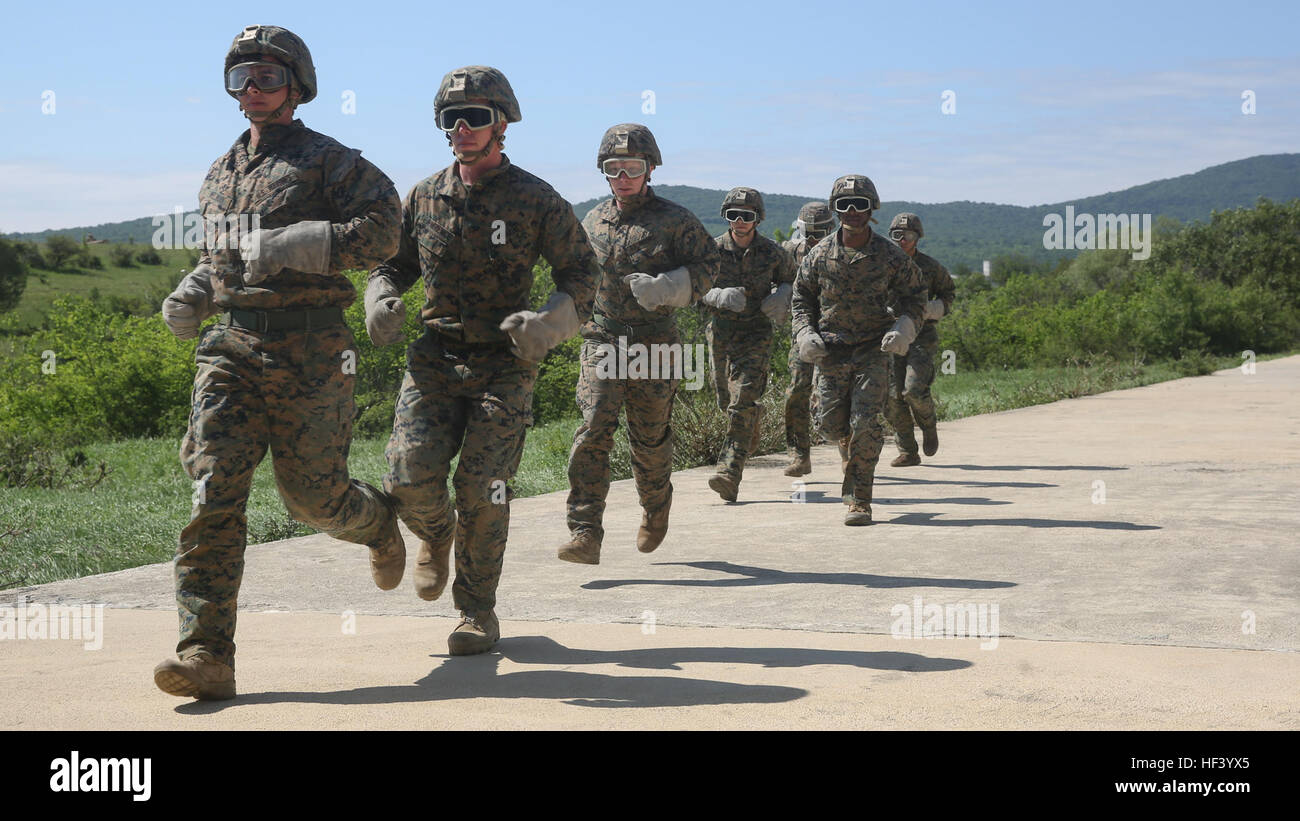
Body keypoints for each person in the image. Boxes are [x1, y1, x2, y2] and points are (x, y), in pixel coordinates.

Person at [155, 24, 403, 700]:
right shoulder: (221, 172)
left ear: (297, 86)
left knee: (312, 500)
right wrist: (195, 289)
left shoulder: (331, 162)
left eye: (267, 76)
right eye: (241, 78)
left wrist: (299, 243)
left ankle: (378, 523)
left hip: (312, 349)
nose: (253, 89)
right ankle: (206, 653)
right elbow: (220, 258)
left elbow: (385, 231)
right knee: (213, 494)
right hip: (231, 348)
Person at [366, 66, 599, 655]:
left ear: (501, 124)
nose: (461, 128)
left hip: (505, 363)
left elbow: (581, 272)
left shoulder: (535, 199)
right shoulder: (424, 195)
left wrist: (550, 324)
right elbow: (392, 264)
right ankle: (435, 534)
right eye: (451, 118)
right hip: (434, 358)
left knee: (484, 488)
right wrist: (380, 298)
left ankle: (476, 611)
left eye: (474, 117)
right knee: (406, 478)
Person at [559, 123, 719, 563]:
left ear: (650, 168)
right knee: (593, 430)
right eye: (614, 168)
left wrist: (671, 285)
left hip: (654, 345)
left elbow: (710, 264)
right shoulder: (592, 220)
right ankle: (585, 531)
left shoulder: (675, 220)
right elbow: (576, 274)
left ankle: (655, 505)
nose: (623, 176)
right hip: (603, 340)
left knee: (649, 439)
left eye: (632, 167)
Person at [790, 175, 926, 526]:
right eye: (844, 205)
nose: (852, 211)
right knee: (830, 425)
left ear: (872, 209)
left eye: (860, 205)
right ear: (835, 210)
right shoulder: (820, 254)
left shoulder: (889, 255)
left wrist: (904, 327)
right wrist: (805, 332)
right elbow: (801, 298)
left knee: (865, 423)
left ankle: (859, 501)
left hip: (872, 349)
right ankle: (846, 441)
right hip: (831, 349)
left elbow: (916, 296)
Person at [704, 187, 795, 501]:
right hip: (721, 333)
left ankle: (729, 472)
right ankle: (750, 421)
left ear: (758, 219)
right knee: (725, 402)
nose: (740, 221)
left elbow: (792, 277)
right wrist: (715, 295)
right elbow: (692, 289)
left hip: (756, 332)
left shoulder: (772, 252)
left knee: (741, 400)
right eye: (734, 215)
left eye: (747, 215)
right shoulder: (711, 251)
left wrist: (782, 294)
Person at [883, 212, 955, 466]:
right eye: (897, 235)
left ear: (918, 238)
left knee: (913, 389)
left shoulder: (930, 267)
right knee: (892, 397)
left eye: (909, 235)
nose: (903, 240)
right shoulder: (879, 265)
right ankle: (907, 450)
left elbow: (949, 295)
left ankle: (928, 425)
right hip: (888, 336)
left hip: (921, 335)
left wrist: (932, 309)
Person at [781, 201, 835, 477]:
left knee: (836, 395)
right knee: (796, 391)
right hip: (802, 332)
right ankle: (799, 454)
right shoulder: (789, 252)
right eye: (808, 233)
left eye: (820, 232)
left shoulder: (842, 252)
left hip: (838, 332)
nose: (814, 239)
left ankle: (847, 448)